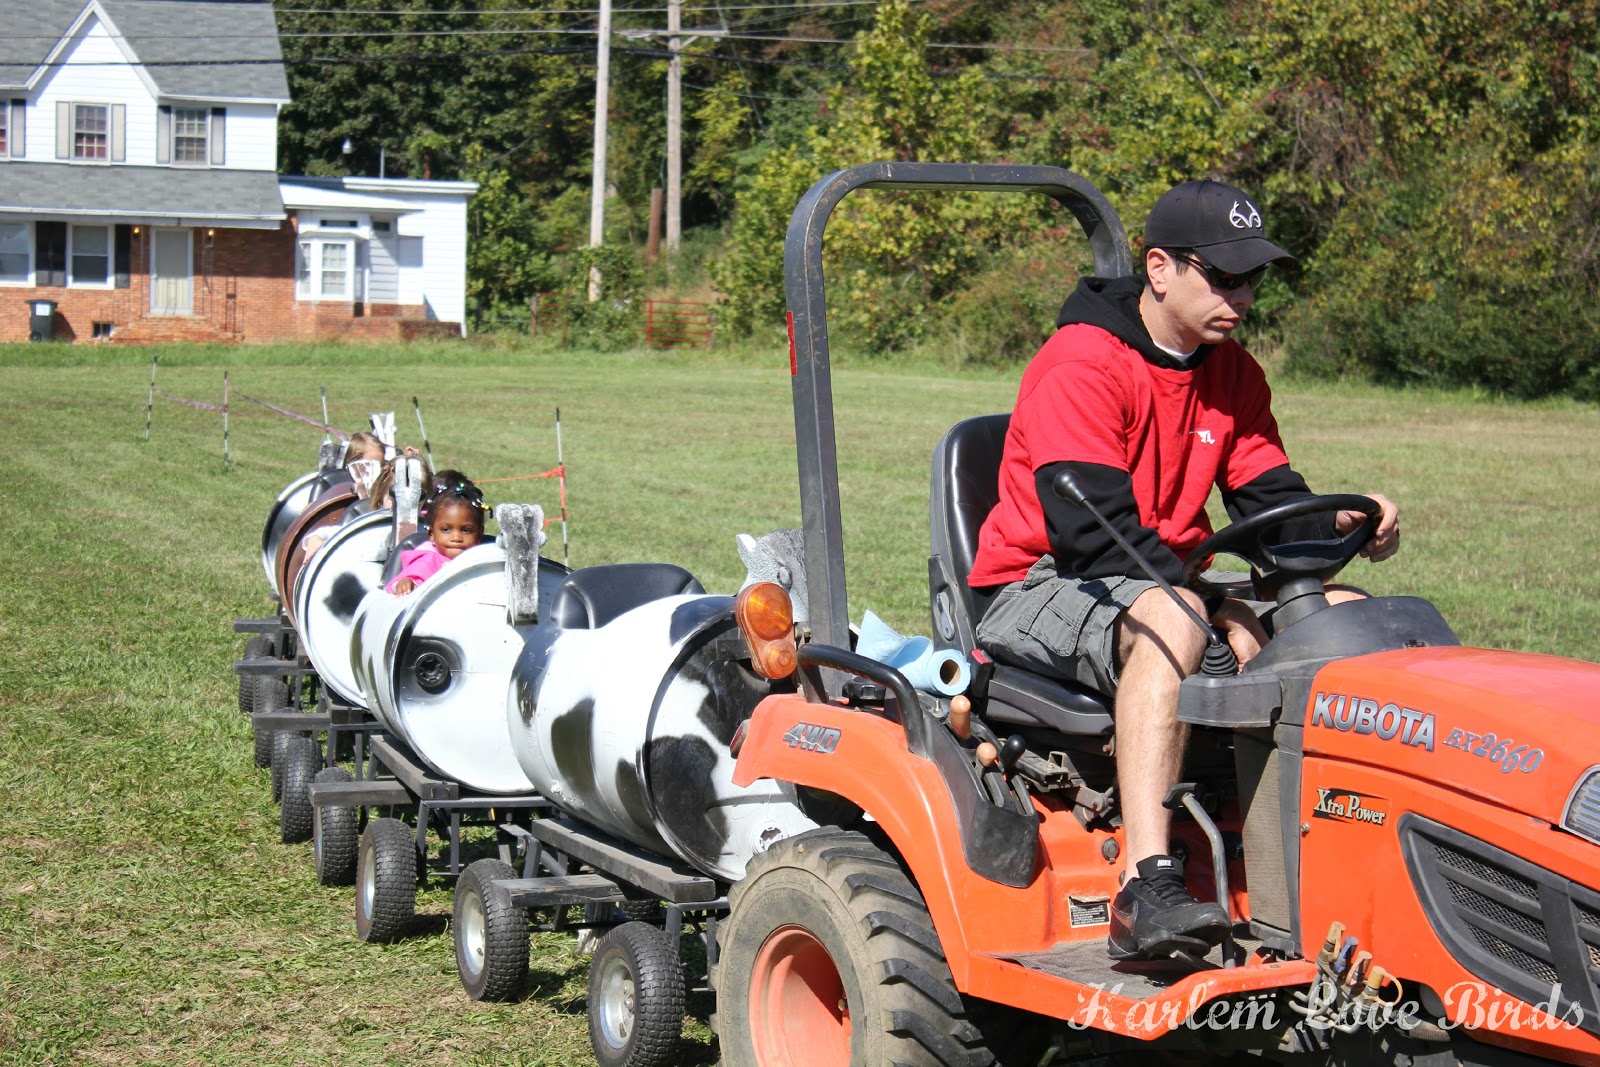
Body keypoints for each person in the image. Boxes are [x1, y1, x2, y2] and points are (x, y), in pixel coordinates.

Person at [967, 179, 1400, 962]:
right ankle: (1146, 883)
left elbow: (1273, 502)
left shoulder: (1232, 374)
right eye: (1223, 276)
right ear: (1160, 268)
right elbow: (1092, 538)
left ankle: (1317, 861)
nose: (1242, 295)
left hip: (1163, 579)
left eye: (1252, 278)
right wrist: (1218, 601)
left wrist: (1342, 519)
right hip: (1036, 581)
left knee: (1342, 613)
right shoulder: (1082, 363)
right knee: (1176, 620)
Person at [386, 485, 487, 595]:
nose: (456, 538)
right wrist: (406, 583)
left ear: (479, 533)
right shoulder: (429, 560)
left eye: (466, 530)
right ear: (431, 533)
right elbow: (411, 578)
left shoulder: (486, 560)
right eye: (446, 529)